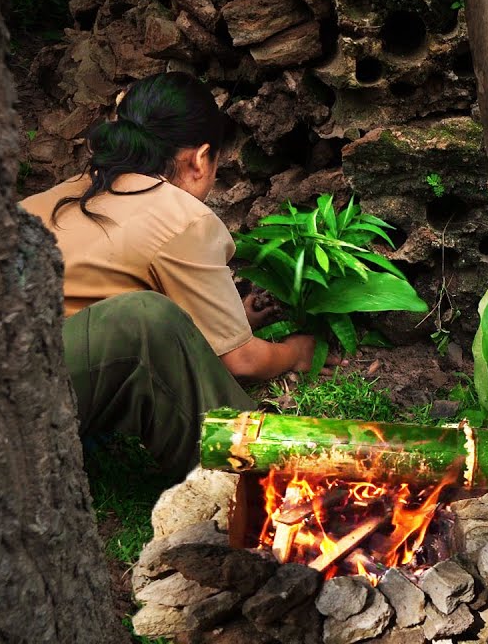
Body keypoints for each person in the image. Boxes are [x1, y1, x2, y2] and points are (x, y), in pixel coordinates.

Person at [21, 72, 319, 480]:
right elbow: (242, 361)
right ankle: (269, 476)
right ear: (200, 159)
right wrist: (296, 353)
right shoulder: (180, 215)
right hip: (19, 394)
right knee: (144, 321)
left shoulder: (61, 193)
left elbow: (94, 305)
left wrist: (229, 322)